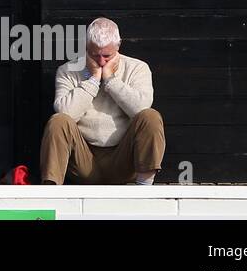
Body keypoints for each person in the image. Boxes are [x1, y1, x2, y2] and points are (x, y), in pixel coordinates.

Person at [40, 17, 165, 185]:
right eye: (94, 55)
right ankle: (51, 190)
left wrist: (111, 80)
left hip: (124, 160)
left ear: (118, 47)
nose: (100, 62)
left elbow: (140, 108)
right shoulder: (67, 71)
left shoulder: (137, 68)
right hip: (83, 160)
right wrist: (92, 80)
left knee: (150, 116)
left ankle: (144, 188)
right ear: (86, 47)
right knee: (58, 120)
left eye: (107, 56)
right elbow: (66, 112)